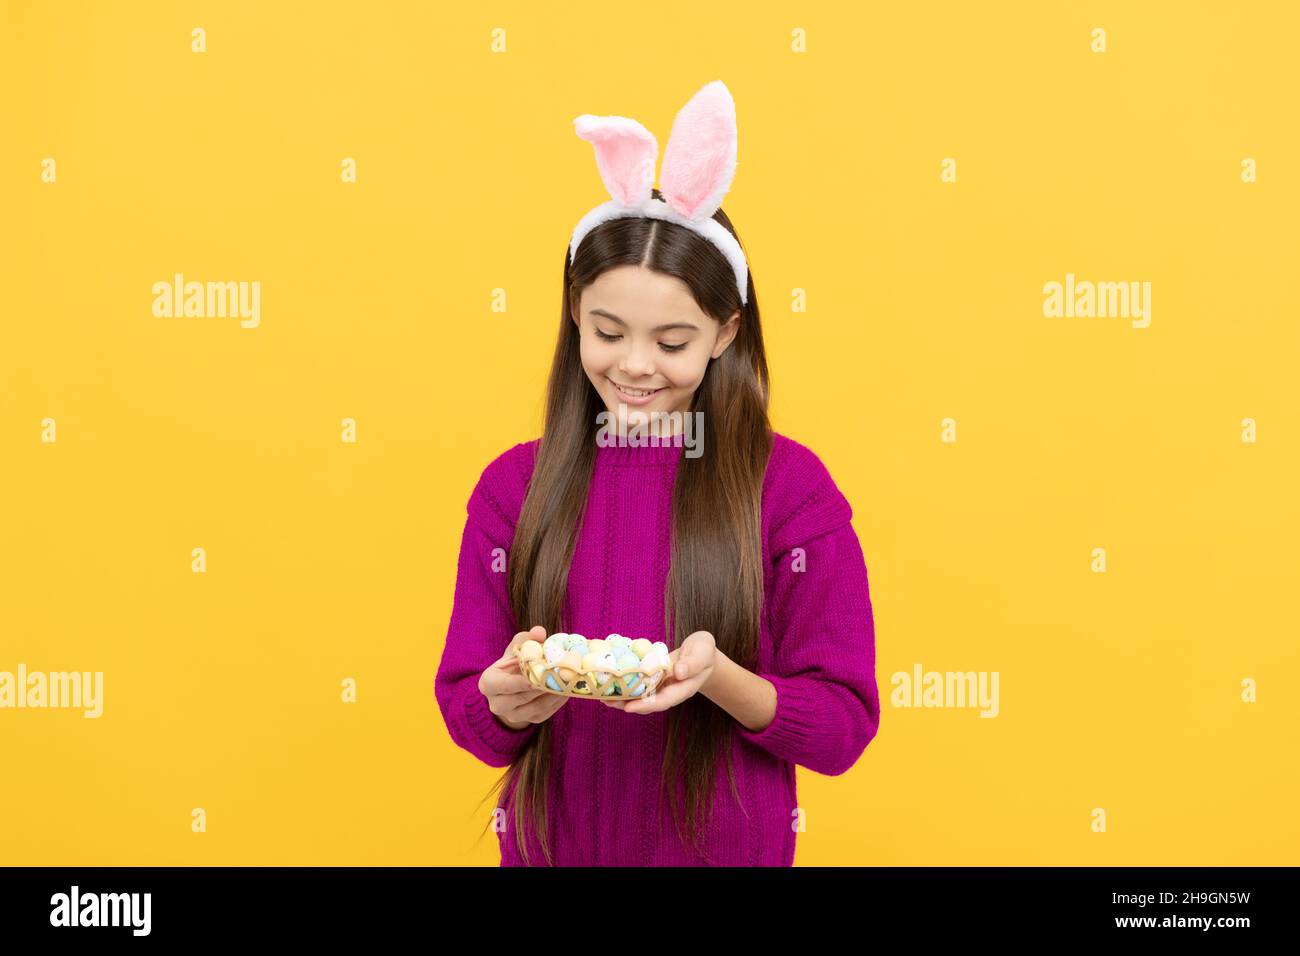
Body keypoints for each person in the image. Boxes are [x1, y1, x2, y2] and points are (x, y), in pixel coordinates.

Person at [434, 80, 880, 866]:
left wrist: (717, 679)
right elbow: (469, 711)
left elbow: (842, 725)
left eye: (672, 342)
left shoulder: (790, 491)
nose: (635, 366)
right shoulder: (513, 490)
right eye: (607, 332)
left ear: (725, 333)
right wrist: (505, 700)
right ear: (574, 315)